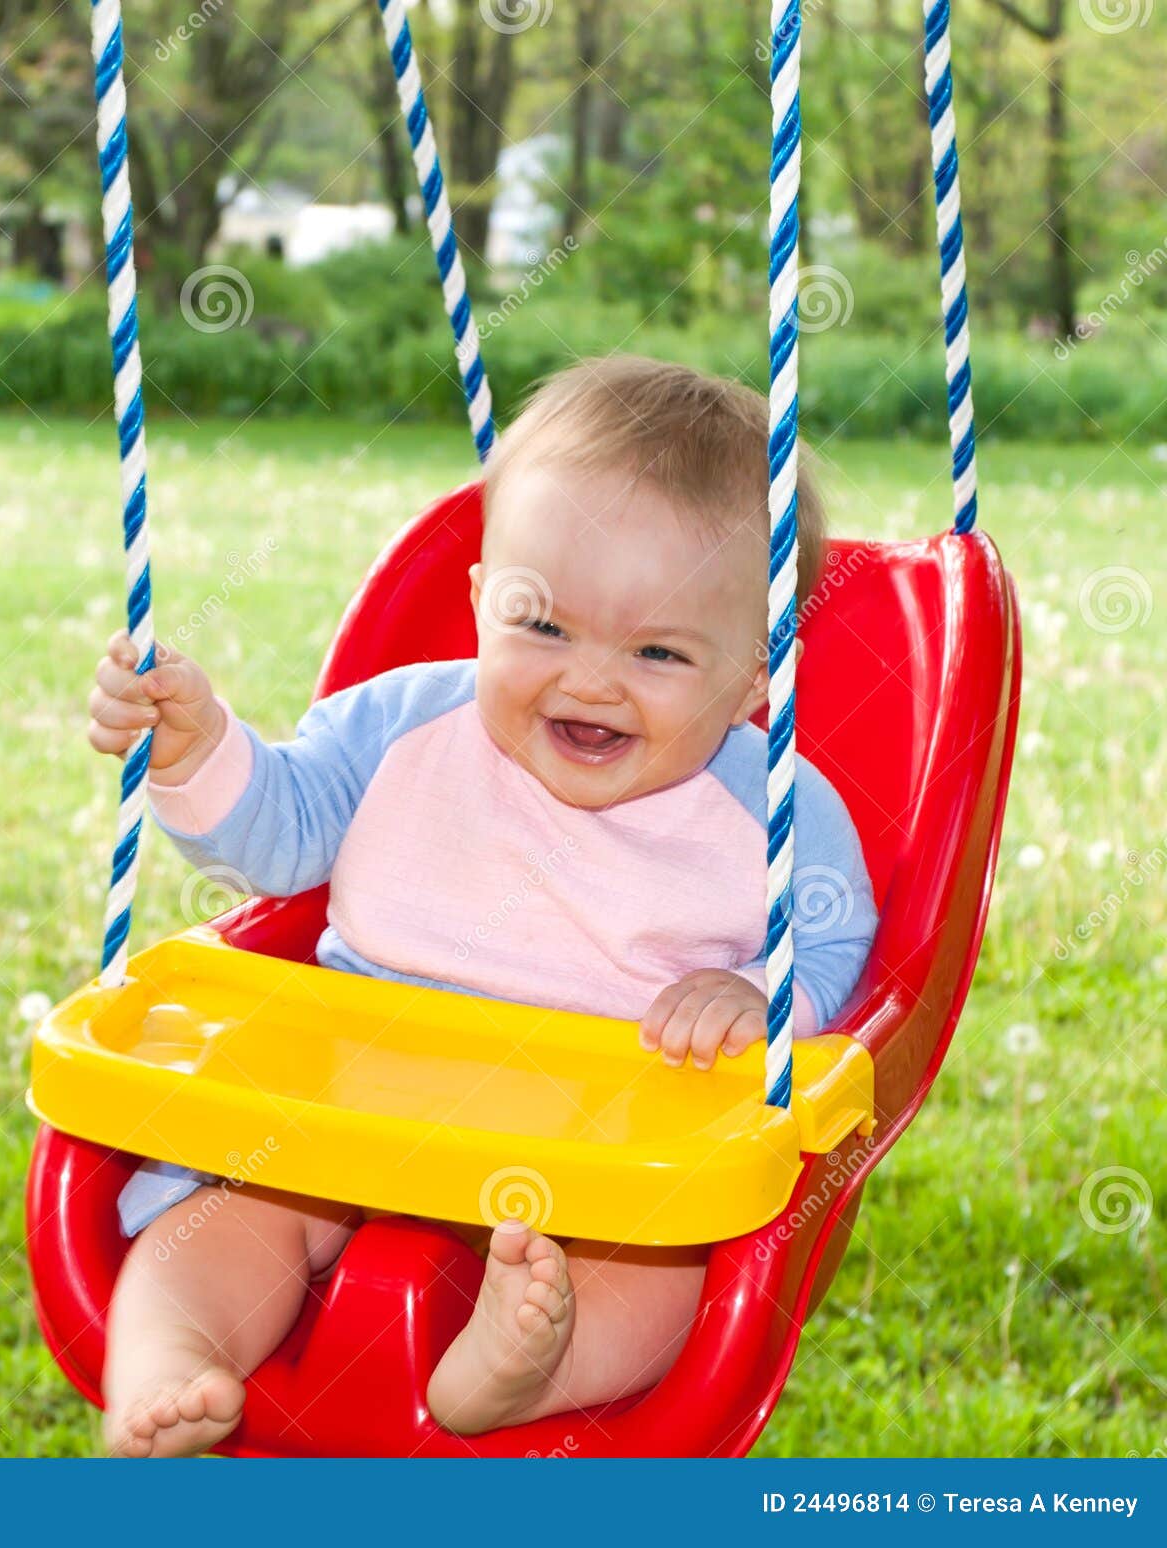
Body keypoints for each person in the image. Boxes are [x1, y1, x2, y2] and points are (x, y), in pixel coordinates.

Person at [85, 355, 878, 1457]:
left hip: (607, 1155)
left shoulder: (773, 808)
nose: (587, 681)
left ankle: (522, 1368)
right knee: (225, 1224)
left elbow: (839, 943)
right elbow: (277, 834)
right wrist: (198, 751)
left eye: (655, 652)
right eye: (542, 628)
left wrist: (754, 996)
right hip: (354, 1107)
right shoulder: (404, 726)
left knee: (655, 1282)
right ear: (480, 603)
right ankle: (169, 1370)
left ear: (755, 677)